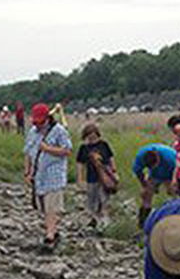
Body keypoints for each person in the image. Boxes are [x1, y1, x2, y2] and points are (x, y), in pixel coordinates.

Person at [23, 103, 72, 251]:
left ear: (47, 119)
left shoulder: (59, 131)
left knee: (52, 206)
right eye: (35, 122)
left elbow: (67, 150)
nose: (37, 125)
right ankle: (54, 231)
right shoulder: (32, 132)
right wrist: (27, 172)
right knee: (43, 207)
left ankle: (49, 235)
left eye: (40, 122)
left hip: (54, 174)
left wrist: (48, 149)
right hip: (39, 176)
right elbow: (27, 152)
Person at [75, 123, 115, 229]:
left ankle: (105, 221)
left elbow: (111, 158)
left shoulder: (104, 144)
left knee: (104, 199)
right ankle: (95, 219)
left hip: (105, 177)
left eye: (94, 136)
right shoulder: (83, 148)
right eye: (89, 137)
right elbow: (80, 164)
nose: (92, 139)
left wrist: (114, 171)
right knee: (92, 199)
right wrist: (80, 178)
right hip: (91, 177)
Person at [131, 143, 178, 228]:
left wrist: (174, 182)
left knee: (173, 193)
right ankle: (142, 222)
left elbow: (178, 169)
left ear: (158, 159)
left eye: (155, 165)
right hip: (154, 176)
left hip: (170, 174)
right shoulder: (140, 157)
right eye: (150, 167)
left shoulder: (170, 157)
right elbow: (138, 172)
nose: (153, 167)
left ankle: (175, 217)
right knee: (146, 195)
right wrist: (144, 185)